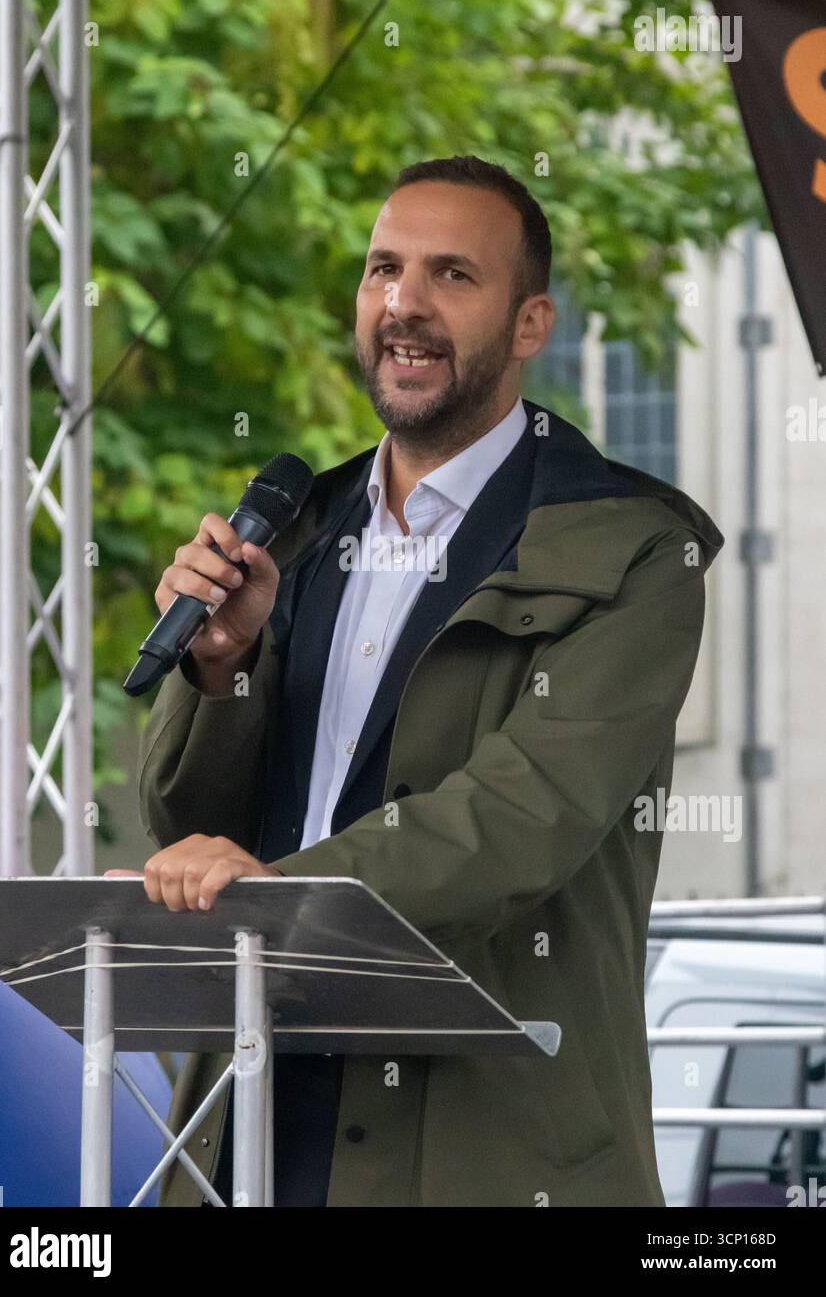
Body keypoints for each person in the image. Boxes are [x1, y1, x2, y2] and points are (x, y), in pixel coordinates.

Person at [131, 154, 724, 1207]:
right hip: (252, 1128)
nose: (403, 304)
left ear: (531, 323)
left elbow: (519, 819)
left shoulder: (633, 551)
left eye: (452, 275)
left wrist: (290, 895)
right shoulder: (299, 529)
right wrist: (220, 670)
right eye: (381, 270)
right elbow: (188, 817)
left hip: (483, 1149)